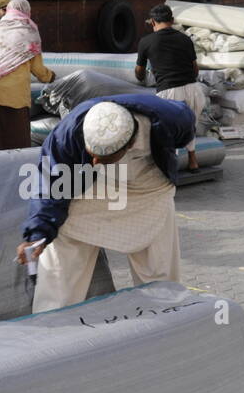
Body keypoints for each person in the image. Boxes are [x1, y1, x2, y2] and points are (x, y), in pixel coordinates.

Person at [18, 95, 194, 312]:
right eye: (92, 154)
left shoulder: (170, 119)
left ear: (129, 144)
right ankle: (53, 317)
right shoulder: (68, 134)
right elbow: (49, 184)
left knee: (159, 264)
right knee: (64, 245)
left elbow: (186, 129)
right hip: (99, 184)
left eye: (103, 157)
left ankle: (165, 315)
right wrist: (37, 234)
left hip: (150, 186)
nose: (94, 161)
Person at [135, 3, 205, 172]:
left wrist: (142, 77)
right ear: (172, 21)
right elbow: (195, 69)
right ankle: (192, 160)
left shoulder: (146, 42)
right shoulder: (185, 39)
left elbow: (139, 72)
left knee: (166, 130)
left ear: (152, 22)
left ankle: (168, 165)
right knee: (190, 126)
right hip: (194, 90)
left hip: (169, 92)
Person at [0, 0, 53, 152]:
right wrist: (51, 77)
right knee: (16, 149)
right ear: (26, 11)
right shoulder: (28, 30)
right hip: (14, 101)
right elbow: (39, 70)